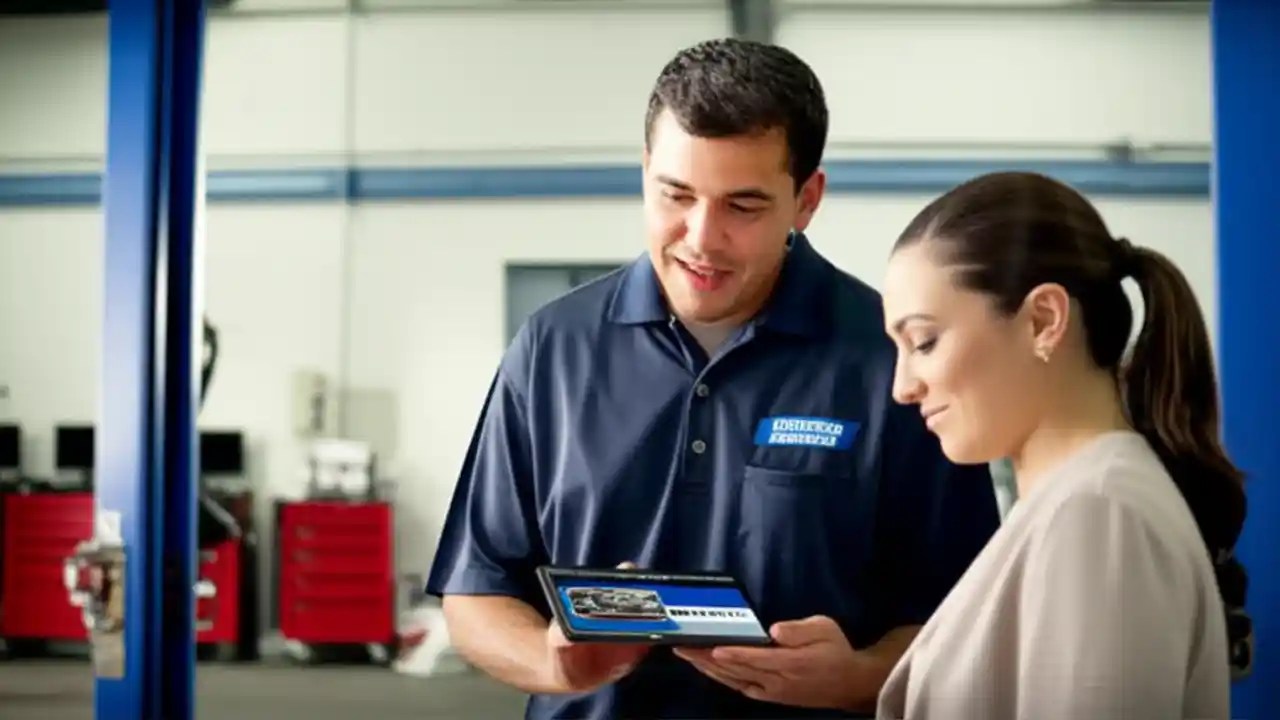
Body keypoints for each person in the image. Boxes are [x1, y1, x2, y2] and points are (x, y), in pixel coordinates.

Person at [425, 37, 1001, 720]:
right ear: (645, 172)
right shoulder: (552, 348)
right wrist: (551, 662)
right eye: (676, 194)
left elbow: (965, 615)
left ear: (806, 199)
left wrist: (860, 676)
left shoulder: (889, 357)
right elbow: (477, 588)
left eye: (743, 206)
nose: (701, 237)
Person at [875, 170, 1253, 719]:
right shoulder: (1078, 502)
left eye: (924, 342)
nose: (902, 387)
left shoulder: (1099, 514)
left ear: (1043, 320)